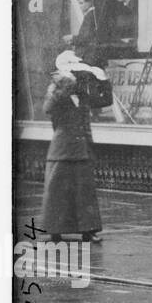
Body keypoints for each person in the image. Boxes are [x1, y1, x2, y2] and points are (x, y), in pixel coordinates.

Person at [41, 50, 111, 243]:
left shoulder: (82, 95)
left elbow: (105, 100)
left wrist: (103, 79)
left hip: (81, 149)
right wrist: (63, 82)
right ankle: (55, 231)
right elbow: (48, 108)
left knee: (84, 193)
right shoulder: (58, 92)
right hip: (62, 149)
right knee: (58, 191)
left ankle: (88, 230)